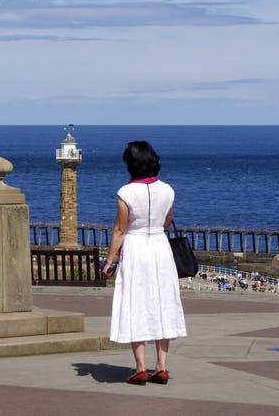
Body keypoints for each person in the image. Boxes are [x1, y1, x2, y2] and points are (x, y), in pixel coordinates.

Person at [102, 141, 186, 386]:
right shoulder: (168, 190)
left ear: (131, 164)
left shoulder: (126, 193)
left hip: (136, 248)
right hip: (160, 247)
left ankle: (140, 368)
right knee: (163, 302)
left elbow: (120, 229)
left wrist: (109, 260)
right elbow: (167, 221)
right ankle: (161, 367)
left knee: (135, 302)